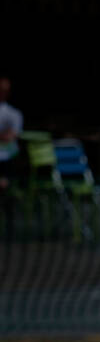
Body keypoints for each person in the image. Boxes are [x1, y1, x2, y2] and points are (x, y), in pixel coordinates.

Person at [0, 75, 23, 240]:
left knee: (7, 191)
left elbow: (11, 137)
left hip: (7, 160)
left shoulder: (13, 114)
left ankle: (10, 228)